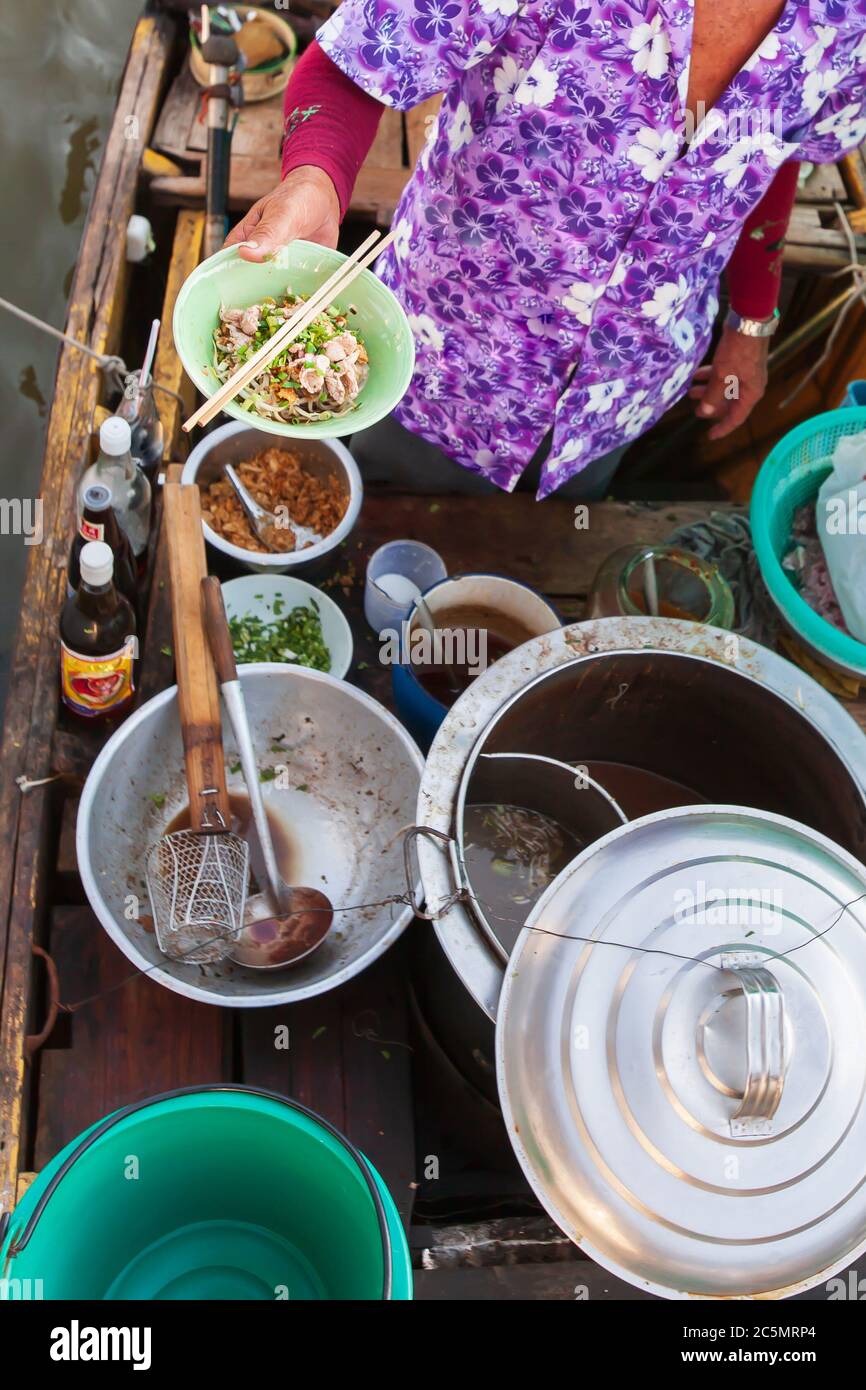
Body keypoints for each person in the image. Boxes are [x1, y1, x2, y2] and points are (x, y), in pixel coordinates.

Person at [226, 1, 866, 498]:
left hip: (620, 393)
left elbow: (780, 152)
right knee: (358, 518)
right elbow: (353, 60)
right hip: (435, 362)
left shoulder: (849, 23)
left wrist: (751, 321)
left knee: (530, 559)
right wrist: (314, 180)